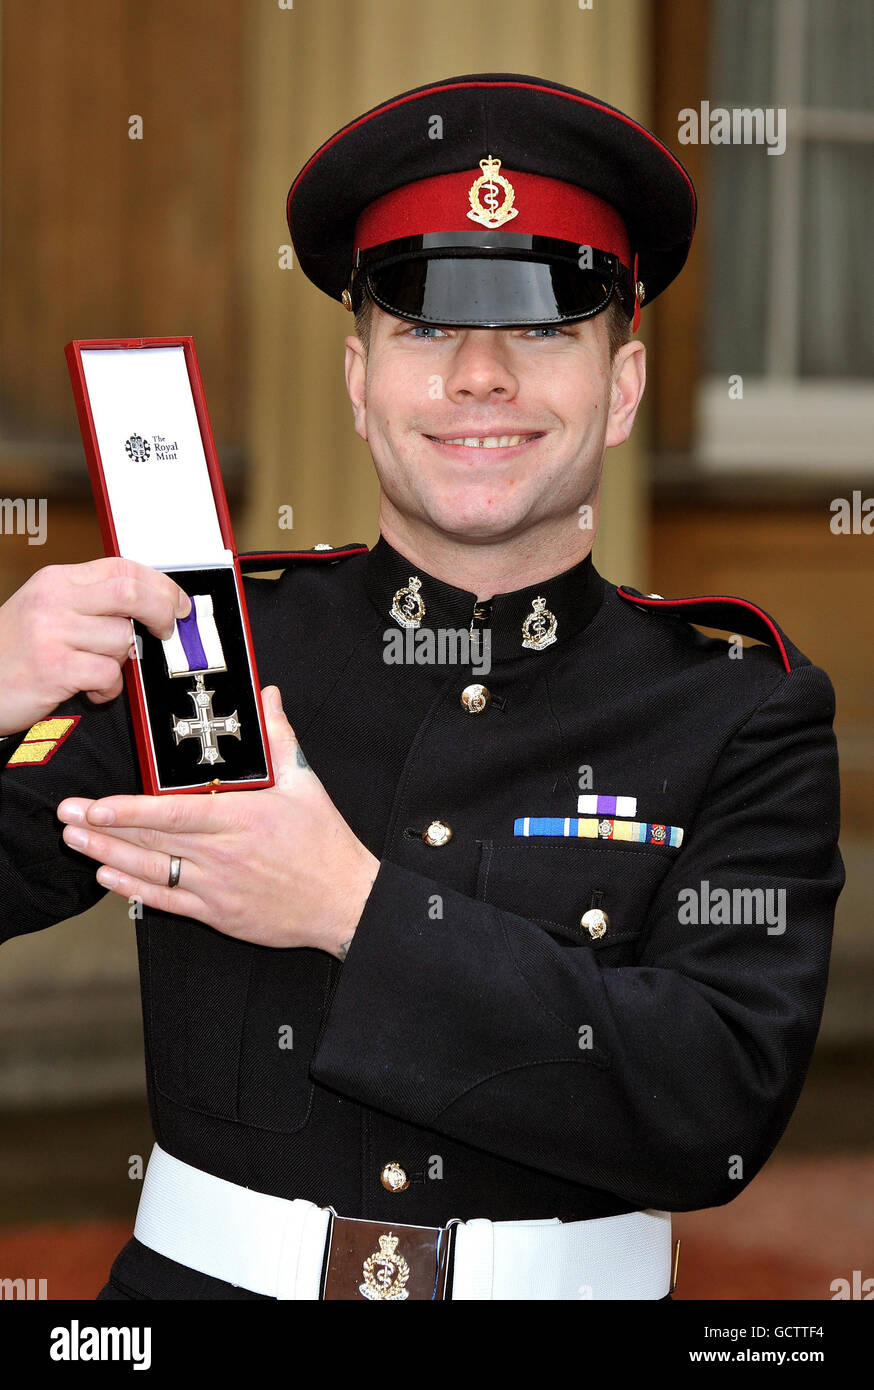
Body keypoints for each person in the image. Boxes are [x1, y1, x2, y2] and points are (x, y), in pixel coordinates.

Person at [0, 73, 843, 1301]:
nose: (480, 376)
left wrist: (350, 905)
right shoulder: (211, 647)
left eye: (547, 329)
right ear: (358, 381)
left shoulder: (736, 706)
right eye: (428, 326)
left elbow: (714, 1101)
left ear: (621, 388)